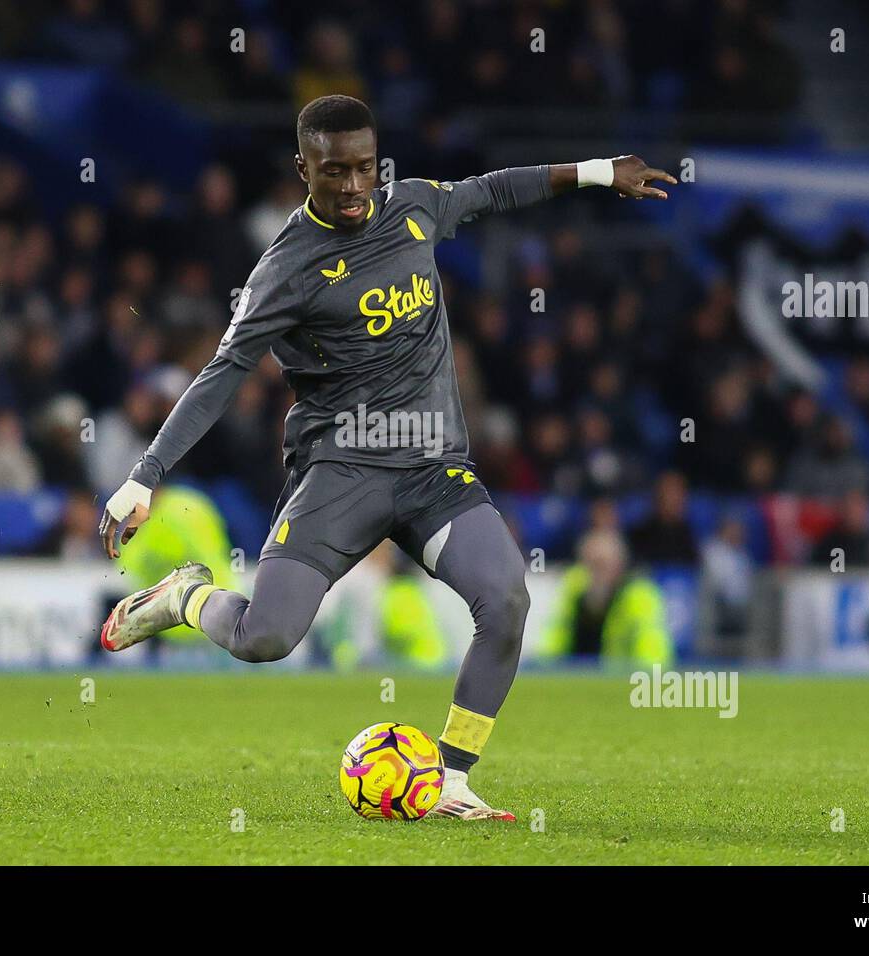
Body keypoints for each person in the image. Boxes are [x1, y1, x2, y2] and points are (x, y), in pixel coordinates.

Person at [97, 95, 675, 821]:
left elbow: (496, 189)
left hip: (433, 469)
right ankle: (184, 596)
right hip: (339, 472)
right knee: (264, 637)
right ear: (301, 168)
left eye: (363, 167)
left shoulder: (414, 207)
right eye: (331, 170)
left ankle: (454, 778)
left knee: (507, 600)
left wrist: (596, 172)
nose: (350, 185)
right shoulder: (286, 270)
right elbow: (222, 372)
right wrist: (143, 477)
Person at [542, 529, 673, 668]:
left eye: (602, 564)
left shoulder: (640, 597)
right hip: (575, 677)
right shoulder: (573, 591)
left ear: (619, 566)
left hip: (620, 677)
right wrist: (546, 665)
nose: (595, 572)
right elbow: (552, 642)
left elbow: (652, 650)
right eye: (589, 564)